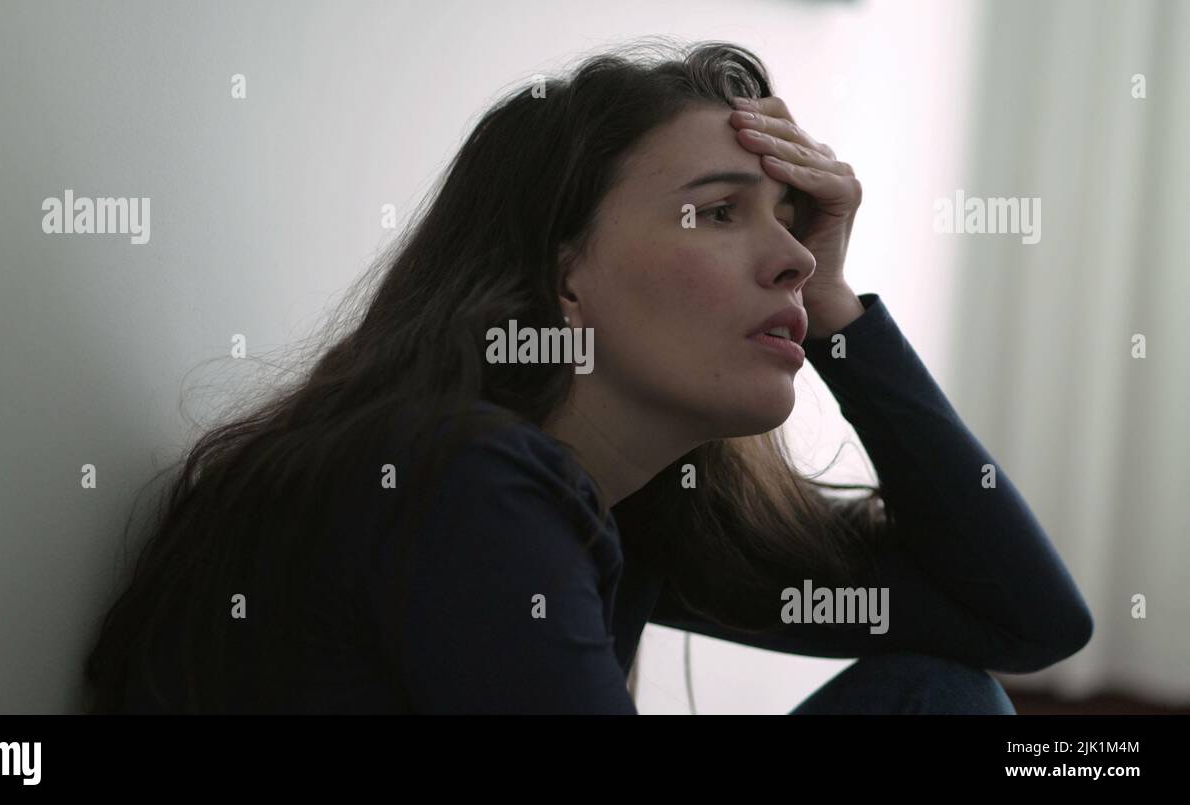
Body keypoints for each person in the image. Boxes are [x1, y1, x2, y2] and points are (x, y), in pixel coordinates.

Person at [83, 40, 1092, 714]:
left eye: (793, 222)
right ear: (563, 271)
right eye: (718, 212)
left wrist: (837, 312)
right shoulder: (460, 477)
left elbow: (1026, 620)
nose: (792, 257)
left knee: (932, 691)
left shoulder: (632, 509)